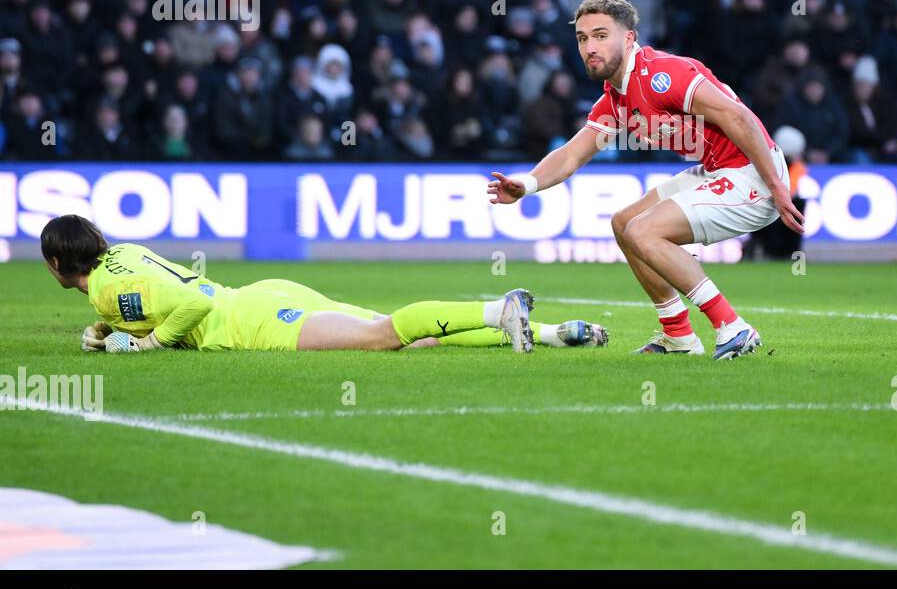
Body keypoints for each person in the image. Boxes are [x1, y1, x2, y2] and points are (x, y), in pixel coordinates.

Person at [487, 0, 802, 360]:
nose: (590, 47)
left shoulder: (662, 76)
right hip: (721, 168)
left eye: (601, 35)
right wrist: (526, 184)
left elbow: (740, 118)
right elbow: (572, 154)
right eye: (583, 38)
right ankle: (679, 336)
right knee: (624, 223)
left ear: (629, 38)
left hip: (754, 173)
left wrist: (778, 187)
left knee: (643, 229)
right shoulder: (616, 98)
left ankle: (733, 327)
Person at [43, 215, 607, 354]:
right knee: (414, 341)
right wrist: (110, 327)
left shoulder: (103, 288)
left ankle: (497, 309)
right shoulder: (121, 255)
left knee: (384, 335)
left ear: (54, 263)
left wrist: (144, 342)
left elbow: (185, 301)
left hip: (258, 323)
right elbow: (155, 288)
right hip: (264, 295)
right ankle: (554, 333)